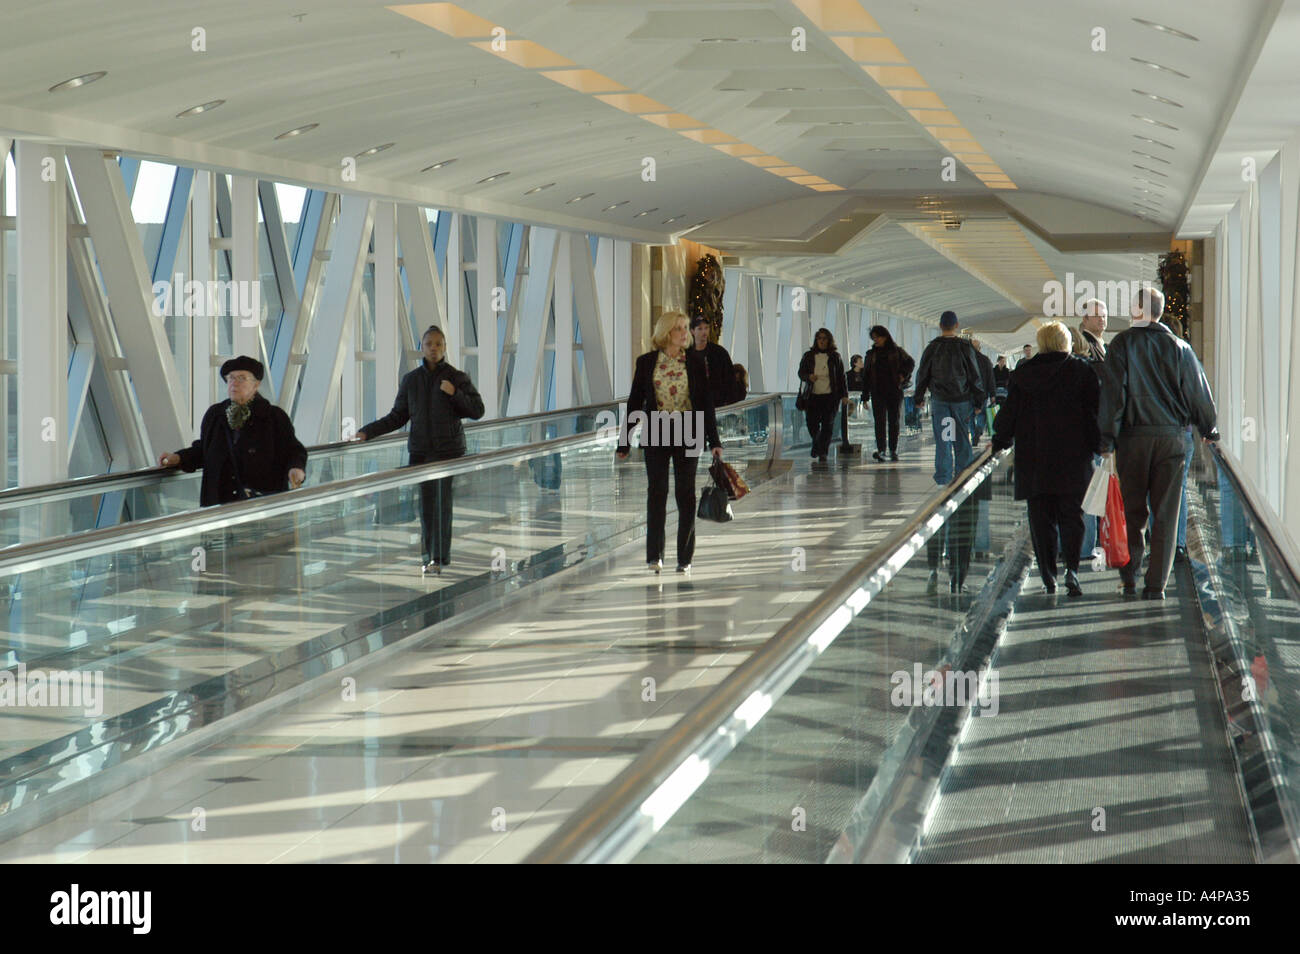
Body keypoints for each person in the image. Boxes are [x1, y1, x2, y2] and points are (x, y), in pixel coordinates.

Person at [1098, 288, 1219, 599]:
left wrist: (1107, 438)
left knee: (1133, 511)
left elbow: (1114, 396)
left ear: (1138, 309)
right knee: (1165, 513)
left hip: (1133, 438)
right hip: (1173, 440)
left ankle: (1129, 577)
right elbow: (1198, 392)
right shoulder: (1180, 347)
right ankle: (1157, 586)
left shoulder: (1122, 344)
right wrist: (1209, 428)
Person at [356, 325, 485, 575]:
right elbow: (397, 417)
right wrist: (367, 432)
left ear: (445, 347)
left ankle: (440, 557)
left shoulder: (457, 378)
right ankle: (428, 557)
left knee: (442, 505)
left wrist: (455, 393)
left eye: (438, 344)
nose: (433, 348)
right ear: (421, 348)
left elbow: (477, 411)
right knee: (426, 506)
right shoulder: (411, 380)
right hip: (421, 453)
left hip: (449, 453)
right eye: (429, 344)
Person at [992, 321, 1100, 597]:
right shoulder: (1082, 371)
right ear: (1067, 343)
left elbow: (1007, 417)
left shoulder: (1023, 374)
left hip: (1035, 460)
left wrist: (1001, 440)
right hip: (1074, 460)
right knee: (1072, 517)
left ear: (1041, 343)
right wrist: (1102, 445)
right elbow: (1095, 414)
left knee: (1041, 520)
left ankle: (1048, 576)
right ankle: (1072, 570)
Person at [617, 310, 723, 573]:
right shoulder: (647, 362)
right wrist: (624, 441)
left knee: (685, 494)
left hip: (688, 430)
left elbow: (706, 404)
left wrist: (715, 441)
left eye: (686, 327)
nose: (685, 332)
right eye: (679, 328)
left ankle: (685, 558)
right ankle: (655, 556)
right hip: (657, 431)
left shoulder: (696, 363)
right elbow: (634, 403)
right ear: (666, 333)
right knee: (657, 493)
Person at [159, 356, 306, 506]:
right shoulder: (216, 415)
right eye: (231, 378)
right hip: (218, 503)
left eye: (242, 378)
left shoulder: (274, 417)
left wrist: (296, 468)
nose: (234, 383)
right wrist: (178, 458)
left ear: (256, 385)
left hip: (261, 505)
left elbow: (294, 451)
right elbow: (204, 450)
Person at [914, 311, 985, 485]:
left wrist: (919, 397)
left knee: (944, 440)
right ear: (957, 325)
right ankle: (964, 478)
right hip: (961, 401)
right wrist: (979, 400)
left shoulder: (932, 347)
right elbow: (974, 376)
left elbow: (923, 373)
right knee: (961, 438)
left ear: (940, 326)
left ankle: (943, 479)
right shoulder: (965, 347)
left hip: (940, 400)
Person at [1073, 298, 1108, 564]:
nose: (1101, 319)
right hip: (1091, 430)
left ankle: (1085, 544)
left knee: (1089, 489)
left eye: (1104, 315)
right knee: (1090, 490)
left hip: (1087, 430)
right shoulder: (1087, 348)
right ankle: (1085, 546)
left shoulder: (1098, 346)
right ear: (1084, 319)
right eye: (1096, 315)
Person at [863, 326, 914, 462]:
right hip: (877, 391)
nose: (876, 340)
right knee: (879, 421)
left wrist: (902, 375)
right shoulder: (871, 354)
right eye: (873, 338)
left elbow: (910, 363)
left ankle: (892, 449)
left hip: (894, 390)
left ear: (885, 336)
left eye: (878, 337)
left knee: (893, 420)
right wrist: (865, 395)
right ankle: (881, 449)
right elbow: (866, 375)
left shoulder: (897, 352)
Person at [797, 327, 848, 463]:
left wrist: (844, 395)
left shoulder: (835, 357)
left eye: (824, 338)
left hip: (830, 396)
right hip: (812, 396)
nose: (821, 341)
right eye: (819, 338)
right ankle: (816, 443)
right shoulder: (808, 356)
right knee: (811, 423)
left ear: (829, 340)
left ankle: (822, 452)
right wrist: (809, 376)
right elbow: (800, 373)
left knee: (827, 425)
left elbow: (841, 377)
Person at [690, 315, 745, 408]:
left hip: (716, 407)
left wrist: (727, 402)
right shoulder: (686, 353)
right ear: (692, 331)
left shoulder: (719, 353)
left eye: (706, 328)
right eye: (700, 329)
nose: (704, 332)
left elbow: (730, 379)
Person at [968, 339, 996, 448]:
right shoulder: (985, 360)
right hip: (982, 393)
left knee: (970, 416)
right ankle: (979, 429)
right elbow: (990, 378)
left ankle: (974, 433)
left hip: (968, 393)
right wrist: (993, 393)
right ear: (980, 348)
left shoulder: (966, 360)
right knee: (982, 414)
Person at [845, 354, 865, 420]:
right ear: (855, 363)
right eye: (860, 361)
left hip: (862, 394)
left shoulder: (865, 374)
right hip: (852, 395)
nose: (862, 363)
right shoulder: (848, 374)